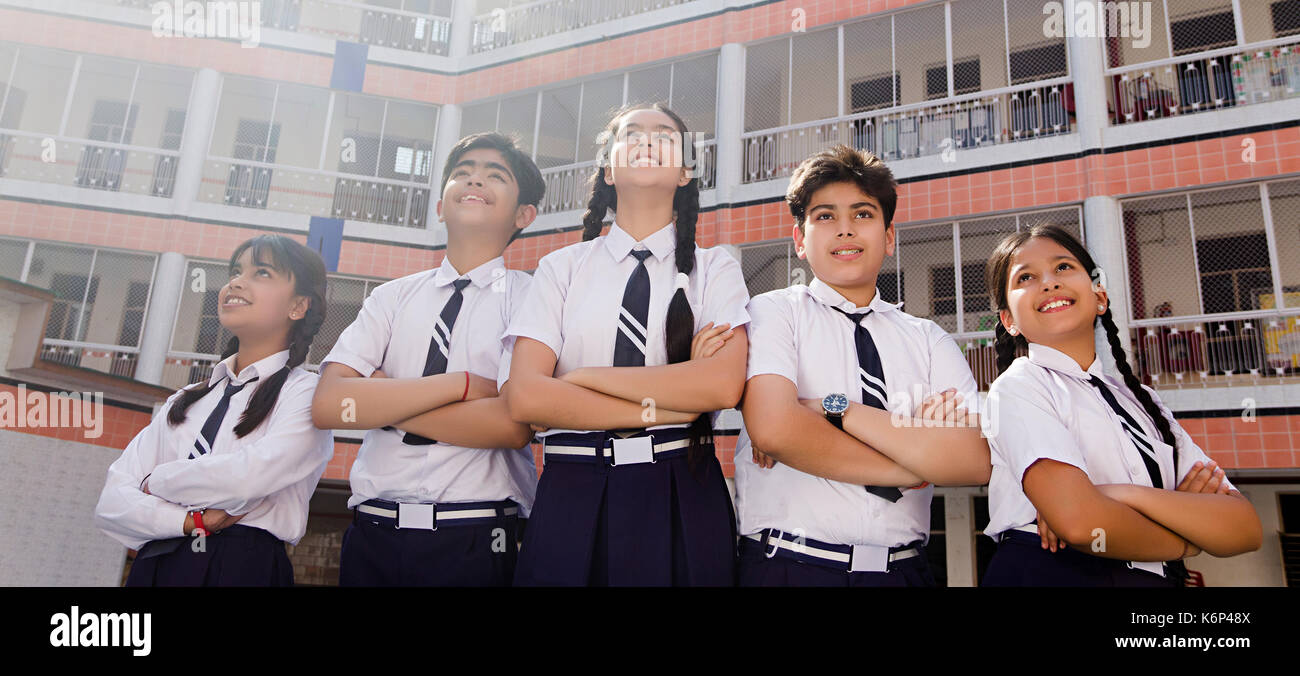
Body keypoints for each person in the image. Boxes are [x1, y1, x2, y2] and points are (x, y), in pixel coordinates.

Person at [503, 103, 750, 586]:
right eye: (631, 133)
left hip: (683, 483)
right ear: (610, 167)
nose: (646, 139)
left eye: (664, 134)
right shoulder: (561, 268)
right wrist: (678, 401)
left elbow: (721, 386)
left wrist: (579, 381)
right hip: (573, 487)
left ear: (684, 172)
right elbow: (526, 397)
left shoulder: (716, 267)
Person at [736, 145, 989, 586]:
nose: (845, 230)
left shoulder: (927, 339)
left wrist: (834, 409)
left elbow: (972, 460)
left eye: (863, 214)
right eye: (825, 216)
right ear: (799, 240)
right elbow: (775, 430)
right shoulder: (773, 313)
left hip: (904, 571)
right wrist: (913, 459)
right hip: (791, 566)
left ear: (890, 237)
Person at [312, 132, 544, 586]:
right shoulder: (391, 298)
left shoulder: (532, 298)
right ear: (440, 205)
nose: (474, 178)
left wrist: (384, 399)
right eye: (462, 172)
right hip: (374, 532)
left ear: (524, 214)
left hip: (476, 535)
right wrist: (460, 385)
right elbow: (329, 406)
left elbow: (511, 425)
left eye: (494, 175)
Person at [980, 224, 1262, 585]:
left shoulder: (1144, 402)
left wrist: (1117, 494)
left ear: (1100, 296)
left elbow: (1244, 530)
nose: (1049, 283)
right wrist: (1188, 540)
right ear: (1009, 321)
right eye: (1026, 277)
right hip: (1053, 572)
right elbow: (1081, 524)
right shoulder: (1018, 387)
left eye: (1063, 267)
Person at [94, 234, 334, 586]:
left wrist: (156, 480)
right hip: (156, 563)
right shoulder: (186, 399)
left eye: (262, 273)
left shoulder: (306, 394)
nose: (236, 282)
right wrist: (191, 522)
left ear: (298, 306)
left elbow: (249, 477)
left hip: (241, 566)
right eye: (236, 271)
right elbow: (112, 503)